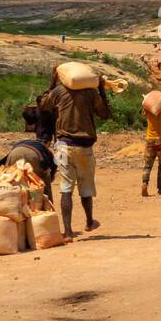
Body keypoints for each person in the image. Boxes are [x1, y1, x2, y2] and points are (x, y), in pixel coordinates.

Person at [40, 68, 111, 241]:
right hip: (84, 147)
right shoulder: (91, 93)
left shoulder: (58, 91)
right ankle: (88, 222)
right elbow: (105, 114)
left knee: (66, 189)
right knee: (85, 187)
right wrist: (101, 88)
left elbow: (43, 105)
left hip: (63, 146)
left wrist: (52, 83)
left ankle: (68, 233)